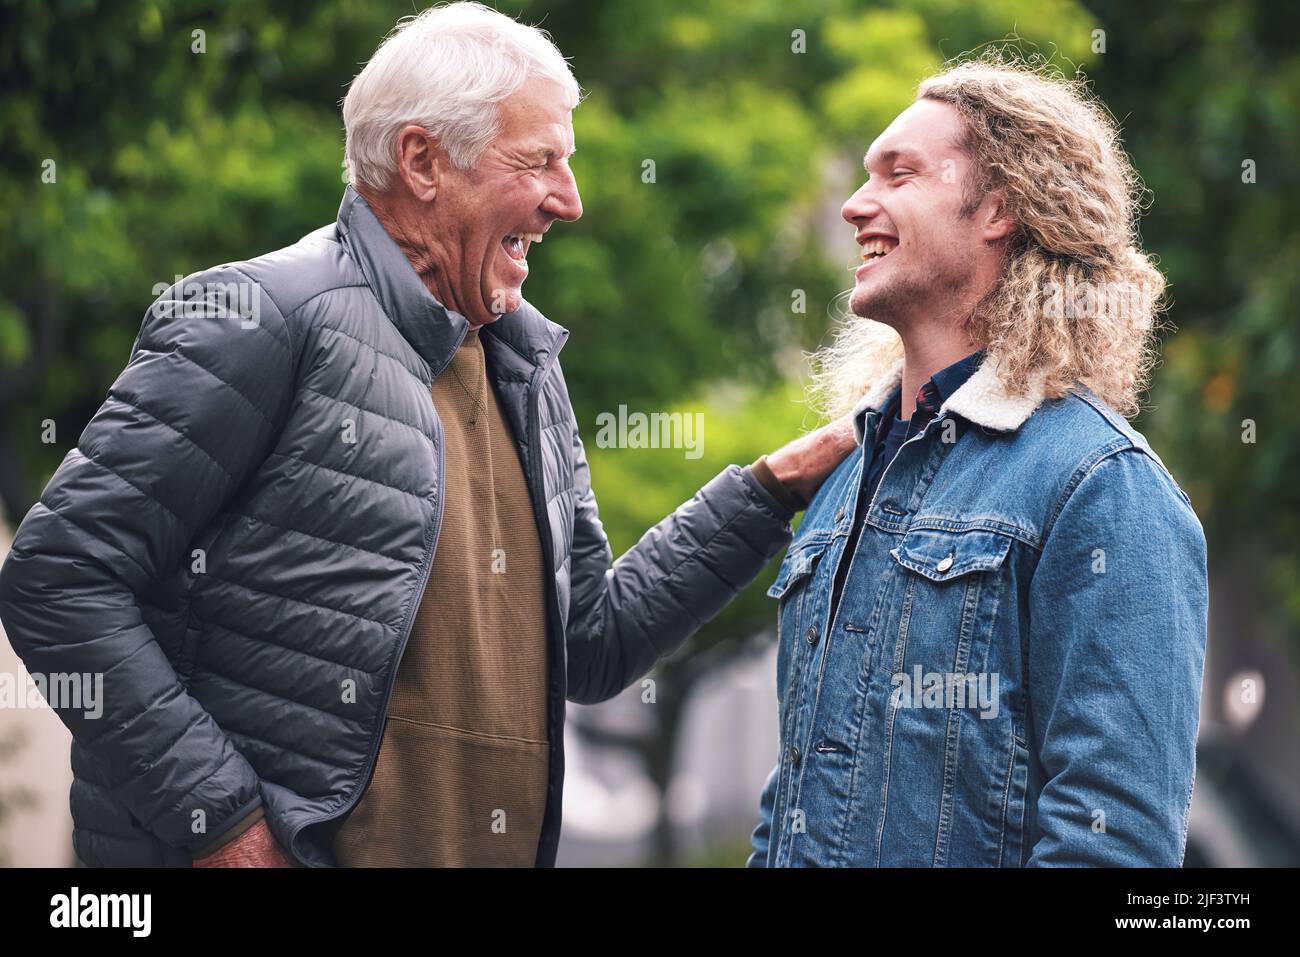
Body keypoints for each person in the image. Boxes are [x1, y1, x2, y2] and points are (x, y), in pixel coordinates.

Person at [0, 2, 854, 868]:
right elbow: (60, 579)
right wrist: (221, 826)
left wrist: (764, 494)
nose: (572, 200)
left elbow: (591, 647)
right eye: (541, 161)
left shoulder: (527, 366)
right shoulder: (262, 316)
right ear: (422, 161)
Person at [747, 57, 1208, 867]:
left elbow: (1112, 845)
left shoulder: (1102, 488)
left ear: (999, 208)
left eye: (900, 174)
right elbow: (792, 799)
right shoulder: (848, 478)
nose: (858, 206)